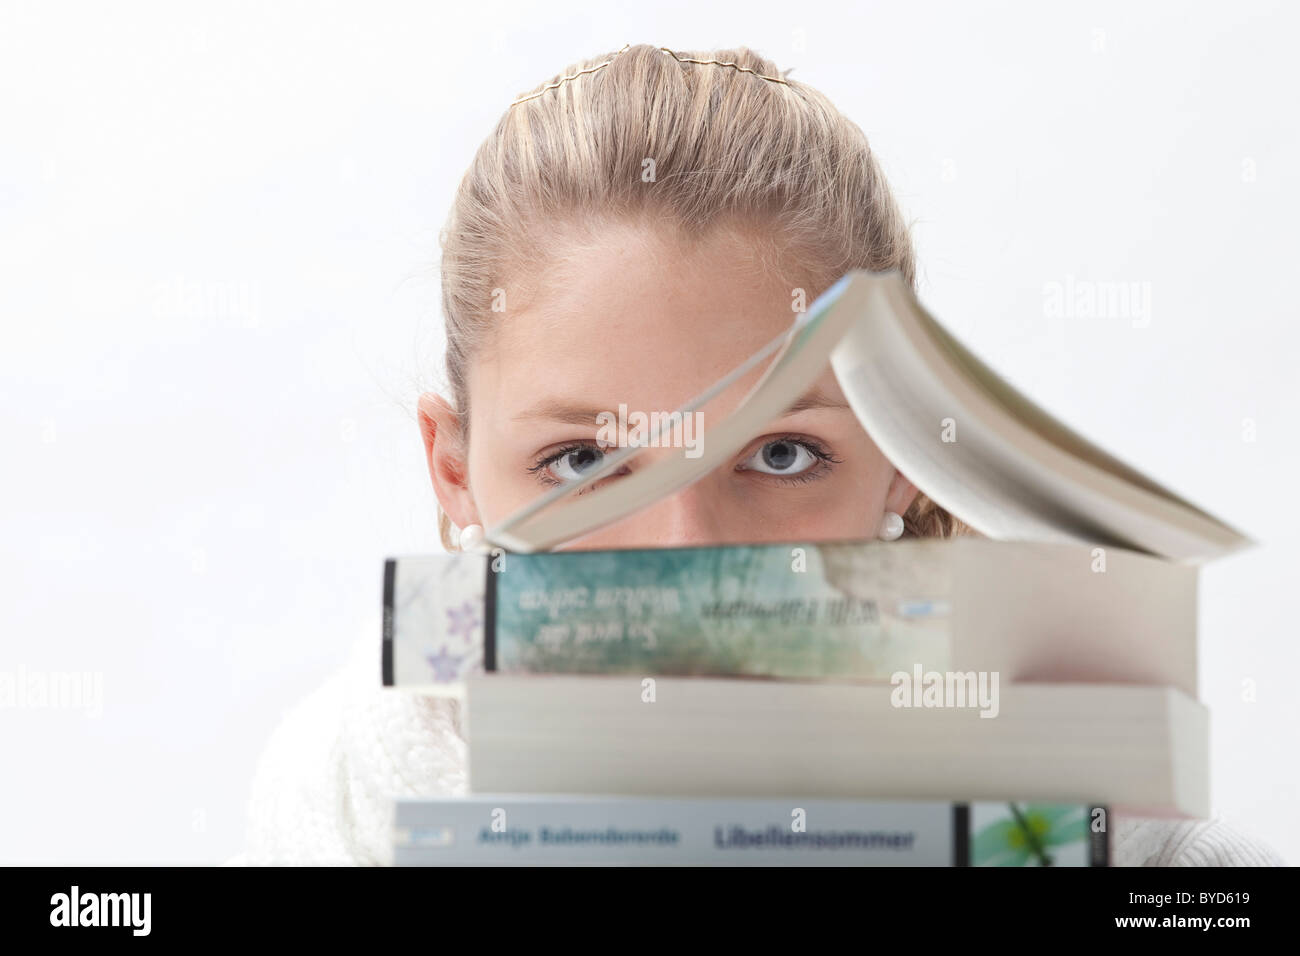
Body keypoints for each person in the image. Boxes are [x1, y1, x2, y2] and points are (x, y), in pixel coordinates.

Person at [229, 44, 1282, 866]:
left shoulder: (1081, 795)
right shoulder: (350, 787)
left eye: (779, 452)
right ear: (454, 472)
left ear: (910, 453)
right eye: (582, 460)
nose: (686, 550)